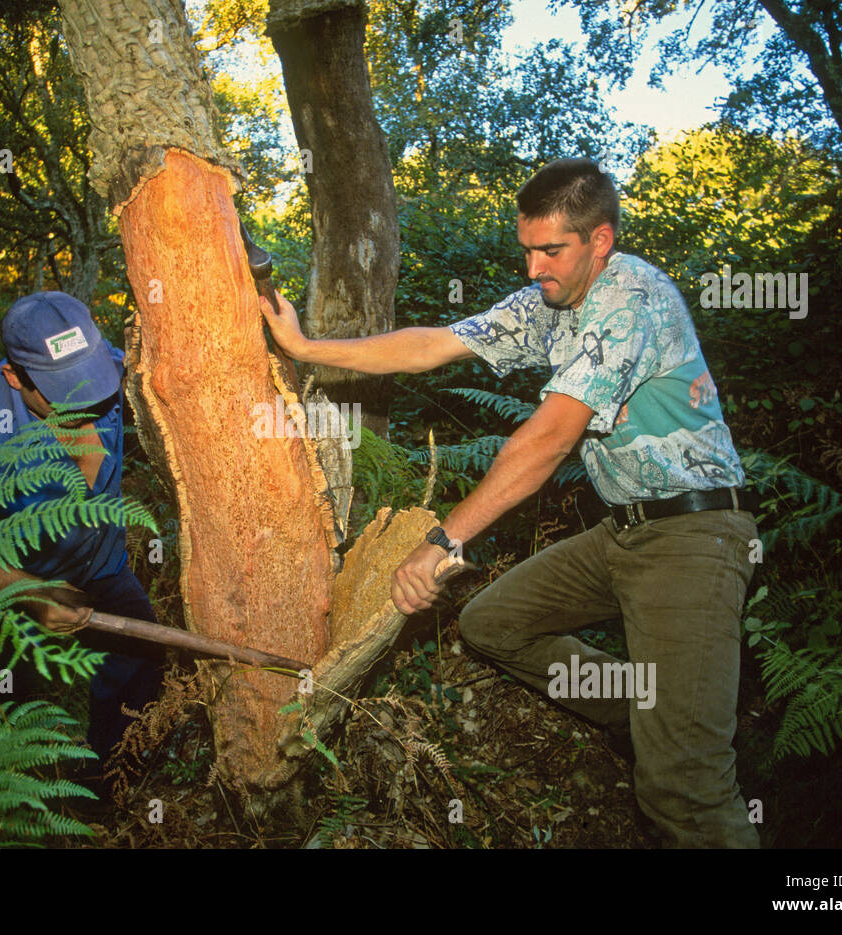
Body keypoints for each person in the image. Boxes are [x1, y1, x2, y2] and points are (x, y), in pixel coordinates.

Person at [259, 158, 760, 848]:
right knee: (494, 623)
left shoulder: (632, 297)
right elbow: (433, 345)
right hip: (623, 531)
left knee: (685, 785)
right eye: (527, 250)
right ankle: (646, 704)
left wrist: (443, 540)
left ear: (601, 241)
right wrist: (308, 346)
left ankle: (674, 731)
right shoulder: (552, 302)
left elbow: (549, 440)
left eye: (550, 250)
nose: (533, 268)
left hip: (694, 533)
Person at [0, 290, 162, 774]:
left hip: (100, 562)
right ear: (15, 377)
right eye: (65, 389)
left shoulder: (112, 371)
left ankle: (107, 783)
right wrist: (28, 593)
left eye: (91, 379)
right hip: (8, 583)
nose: (88, 400)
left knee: (141, 662)